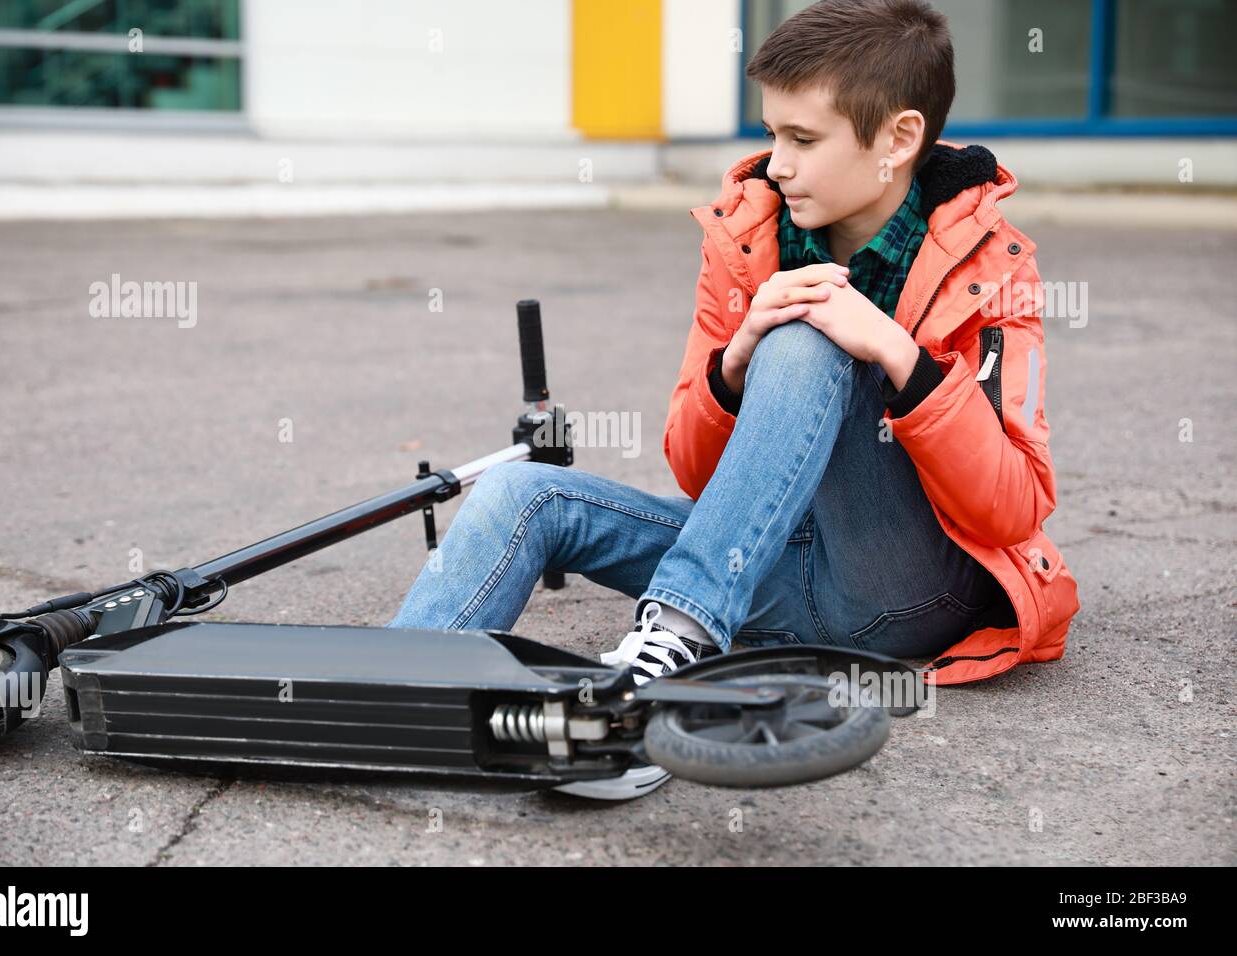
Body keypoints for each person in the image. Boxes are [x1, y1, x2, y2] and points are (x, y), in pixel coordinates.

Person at [389, 0, 1079, 799]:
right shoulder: (745, 239)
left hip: (906, 591)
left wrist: (898, 355)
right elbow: (693, 471)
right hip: (765, 577)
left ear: (899, 138)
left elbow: (1015, 508)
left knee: (808, 332)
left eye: (804, 140)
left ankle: (656, 675)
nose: (777, 165)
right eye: (772, 134)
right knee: (524, 492)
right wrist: (738, 360)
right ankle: (399, 696)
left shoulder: (992, 263)